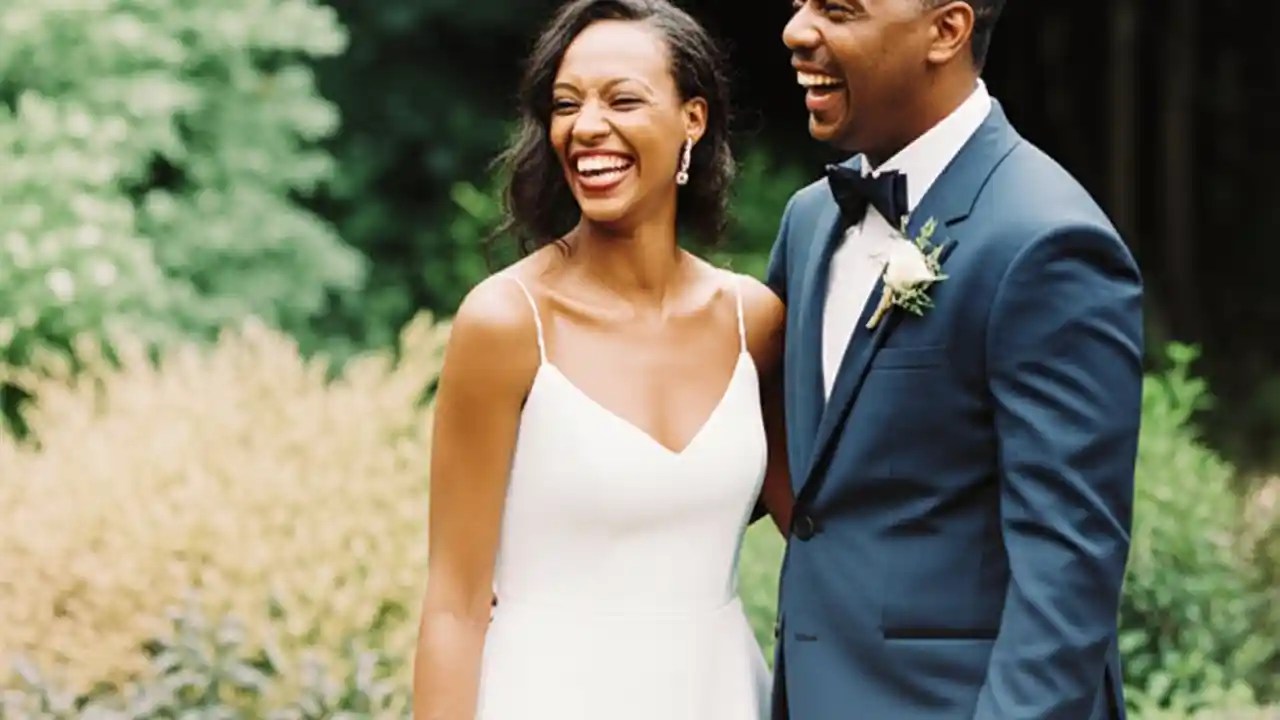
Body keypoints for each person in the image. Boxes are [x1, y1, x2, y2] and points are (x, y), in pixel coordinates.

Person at [412, 1, 793, 718]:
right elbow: (455, 608)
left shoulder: (755, 324)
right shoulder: (505, 323)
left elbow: (826, 529)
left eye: (623, 99)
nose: (586, 126)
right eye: (565, 104)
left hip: (718, 696)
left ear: (693, 119)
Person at [765, 1, 1144, 719]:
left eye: (838, 9)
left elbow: (1067, 569)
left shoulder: (1047, 240)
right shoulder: (810, 218)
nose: (797, 30)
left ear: (947, 30)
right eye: (800, 3)